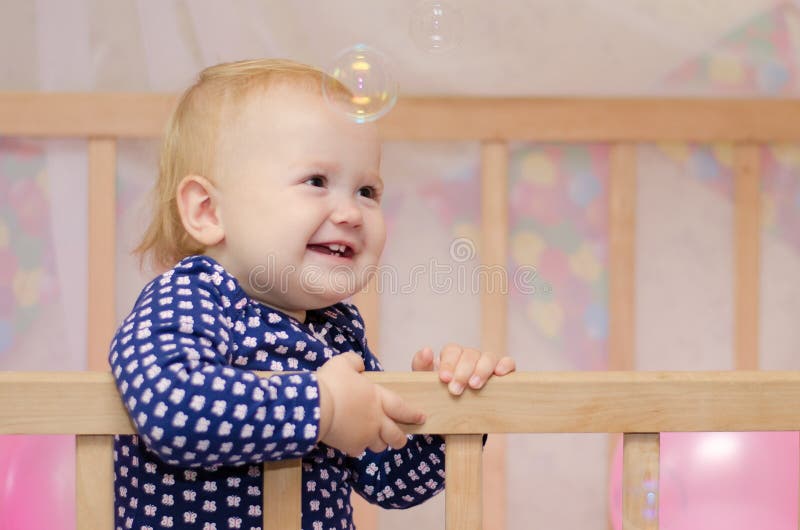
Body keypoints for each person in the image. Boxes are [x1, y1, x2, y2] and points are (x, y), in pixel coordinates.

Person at [109, 58, 516, 530]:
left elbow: (388, 479)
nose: (351, 213)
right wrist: (322, 407)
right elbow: (171, 406)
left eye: (367, 190)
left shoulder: (336, 330)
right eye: (316, 181)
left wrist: (450, 413)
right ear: (207, 211)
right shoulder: (191, 296)